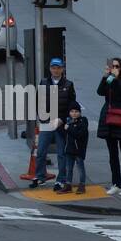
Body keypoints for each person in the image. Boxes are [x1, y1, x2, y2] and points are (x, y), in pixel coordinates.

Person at [30, 57, 76, 191]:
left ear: (62, 69)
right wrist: (43, 118)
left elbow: (72, 105)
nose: (56, 70)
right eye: (53, 67)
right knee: (41, 151)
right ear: (50, 69)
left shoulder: (68, 84)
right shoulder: (43, 83)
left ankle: (60, 179)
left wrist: (62, 120)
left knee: (61, 153)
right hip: (46, 123)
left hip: (61, 124)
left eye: (59, 68)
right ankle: (40, 177)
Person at [97, 57, 121, 195]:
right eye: (112, 66)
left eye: (117, 66)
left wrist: (117, 79)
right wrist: (106, 76)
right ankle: (116, 183)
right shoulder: (109, 79)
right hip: (109, 119)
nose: (114, 68)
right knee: (112, 154)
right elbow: (100, 92)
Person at [63, 103, 90, 194]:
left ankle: (82, 185)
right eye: (72, 111)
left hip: (79, 150)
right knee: (68, 168)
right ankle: (68, 185)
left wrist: (69, 129)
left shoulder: (83, 121)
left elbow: (79, 135)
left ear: (80, 112)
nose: (74, 113)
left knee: (80, 168)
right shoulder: (68, 121)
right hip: (69, 149)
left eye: (76, 111)